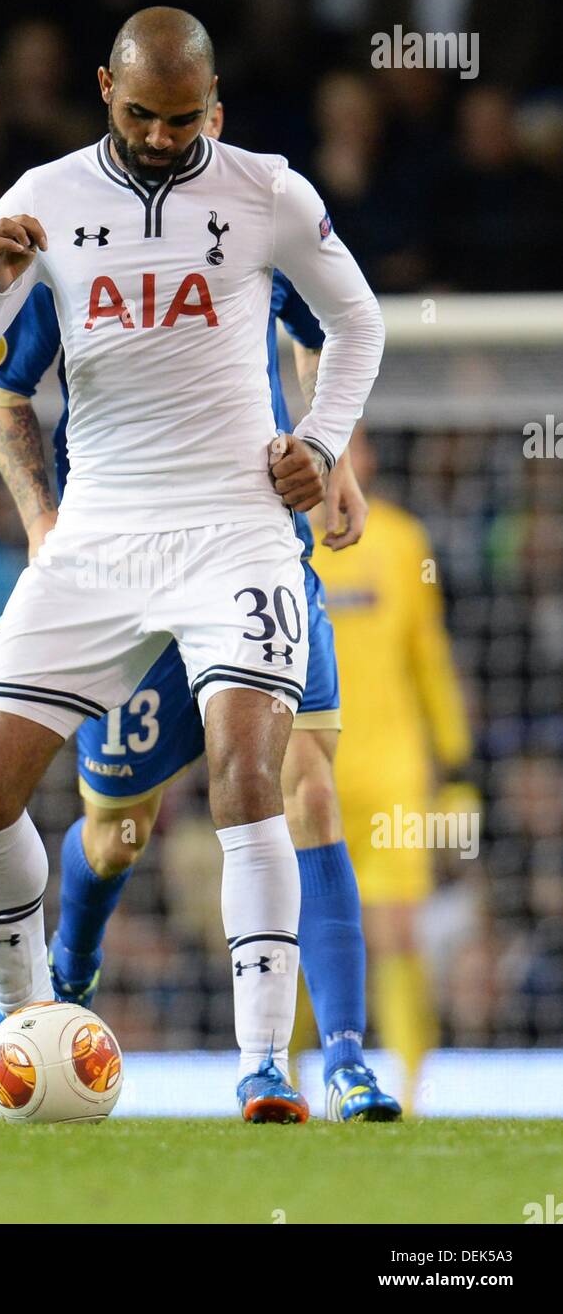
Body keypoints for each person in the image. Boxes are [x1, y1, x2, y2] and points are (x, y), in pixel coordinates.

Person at [0, 7, 385, 1123]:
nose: (166, 138)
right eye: (142, 116)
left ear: (213, 105)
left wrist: (319, 449)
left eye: (186, 119)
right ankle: (24, 1021)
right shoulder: (40, 196)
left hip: (236, 533)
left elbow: (357, 322)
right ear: (102, 92)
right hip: (100, 540)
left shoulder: (268, 192)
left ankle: (268, 1065)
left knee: (254, 772)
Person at [311, 427, 475, 1107]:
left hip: (394, 771)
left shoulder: (402, 541)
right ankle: (292, 1083)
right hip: (309, 764)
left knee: (398, 929)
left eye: (360, 442)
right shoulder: (281, 542)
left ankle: (411, 1088)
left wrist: (459, 766)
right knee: (299, 930)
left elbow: (429, 659)